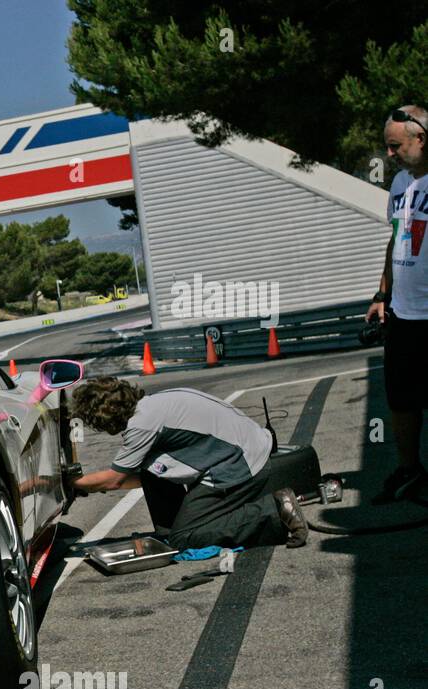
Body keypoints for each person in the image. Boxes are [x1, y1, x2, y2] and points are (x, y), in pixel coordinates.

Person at [69, 377, 308, 550]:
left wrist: (73, 484)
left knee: (185, 537)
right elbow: (143, 478)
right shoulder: (154, 403)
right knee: (150, 470)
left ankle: (275, 509)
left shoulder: (141, 425)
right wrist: (88, 485)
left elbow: (115, 480)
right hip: (246, 448)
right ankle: (170, 530)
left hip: (238, 464)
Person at [365, 104, 428, 504]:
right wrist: (382, 292)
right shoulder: (401, 184)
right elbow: (395, 240)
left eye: (395, 146)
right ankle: (410, 470)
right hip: (404, 311)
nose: (388, 155)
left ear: (420, 138)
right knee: (401, 398)